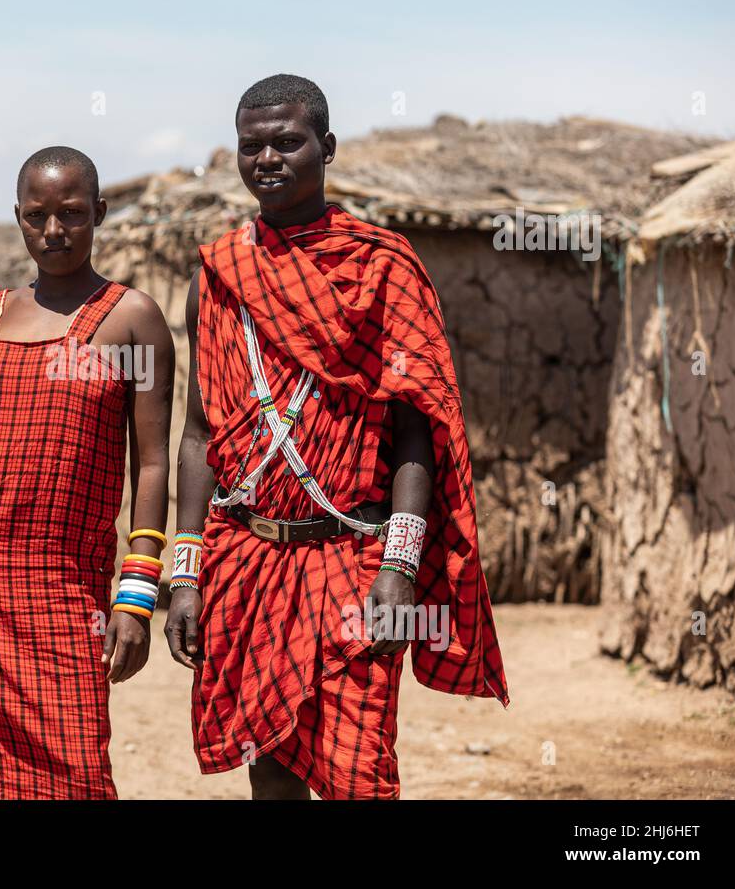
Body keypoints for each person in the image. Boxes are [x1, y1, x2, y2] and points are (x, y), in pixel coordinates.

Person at [166, 74, 510, 800]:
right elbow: (197, 436)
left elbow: (421, 431)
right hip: (247, 557)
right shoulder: (220, 276)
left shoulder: (383, 268)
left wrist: (401, 565)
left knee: (360, 774)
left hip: (353, 556)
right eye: (250, 146)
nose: (268, 159)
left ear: (325, 147)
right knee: (269, 767)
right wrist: (185, 573)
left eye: (287, 142)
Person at [0, 145, 176, 799]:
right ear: (18, 219)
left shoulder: (131, 318)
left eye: (72, 214)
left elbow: (155, 463)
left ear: (100, 213)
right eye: (37, 216)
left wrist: (137, 593)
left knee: (71, 771)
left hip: (60, 586)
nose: (54, 231)